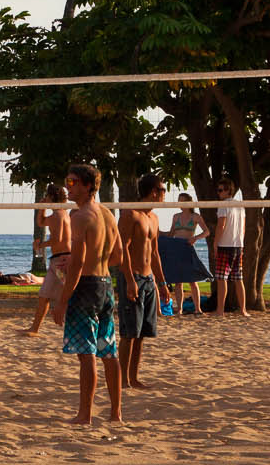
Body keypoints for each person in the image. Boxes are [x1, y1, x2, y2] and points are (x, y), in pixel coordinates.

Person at [53, 163, 122, 425]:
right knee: (108, 352)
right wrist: (93, 261)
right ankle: (115, 414)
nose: (67, 187)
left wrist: (63, 300)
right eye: (67, 181)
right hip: (105, 286)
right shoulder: (107, 214)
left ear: (88, 185)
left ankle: (85, 415)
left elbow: (79, 263)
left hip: (86, 288)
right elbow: (118, 256)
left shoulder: (80, 216)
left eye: (72, 182)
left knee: (87, 354)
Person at [114, 173, 167, 391]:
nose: (164, 195)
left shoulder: (153, 218)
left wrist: (162, 284)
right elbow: (122, 249)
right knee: (129, 334)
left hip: (148, 279)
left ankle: (133, 378)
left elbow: (154, 253)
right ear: (154, 192)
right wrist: (129, 280)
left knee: (142, 334)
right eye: (163, 190)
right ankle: (122, 380)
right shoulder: (130, 215)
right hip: (133, 277)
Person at [24, 184, 71, 336]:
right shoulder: (60, 214)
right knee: (44, 295)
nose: (45, 198)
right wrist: (42, 207)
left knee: (71, 294)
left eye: (47, 196)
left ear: (51, 197)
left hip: (62, 262)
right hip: (56, 261)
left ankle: (77, 325)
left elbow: (57, 239)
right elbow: (41, 222)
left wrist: (40, 245)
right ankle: (34, 329)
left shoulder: (58, 216)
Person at [160, 191, 209, 315]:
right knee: (178, 281)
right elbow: (171, 234)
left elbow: (206, 232)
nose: (180, 203)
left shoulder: (195, 216)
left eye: (182, 200)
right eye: (179, 200)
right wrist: (159, 232)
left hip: (188, 247)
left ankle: (198, 309)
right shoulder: (176, 216)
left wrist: (195, 238)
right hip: (176, 248)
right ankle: (180, 309)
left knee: (192, 280)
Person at [211, 176, 247, 318]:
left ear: (227, 191)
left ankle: (220, 310)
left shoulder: (223, 205)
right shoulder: (240, 205)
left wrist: (215, 243)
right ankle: (243, 310)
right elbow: (243, 227)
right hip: (238, 245)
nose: (218, 193)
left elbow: (221, 225)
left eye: (220, 190)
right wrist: (241, 242)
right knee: (238, 279)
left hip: (225, 245)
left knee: (222, 279)